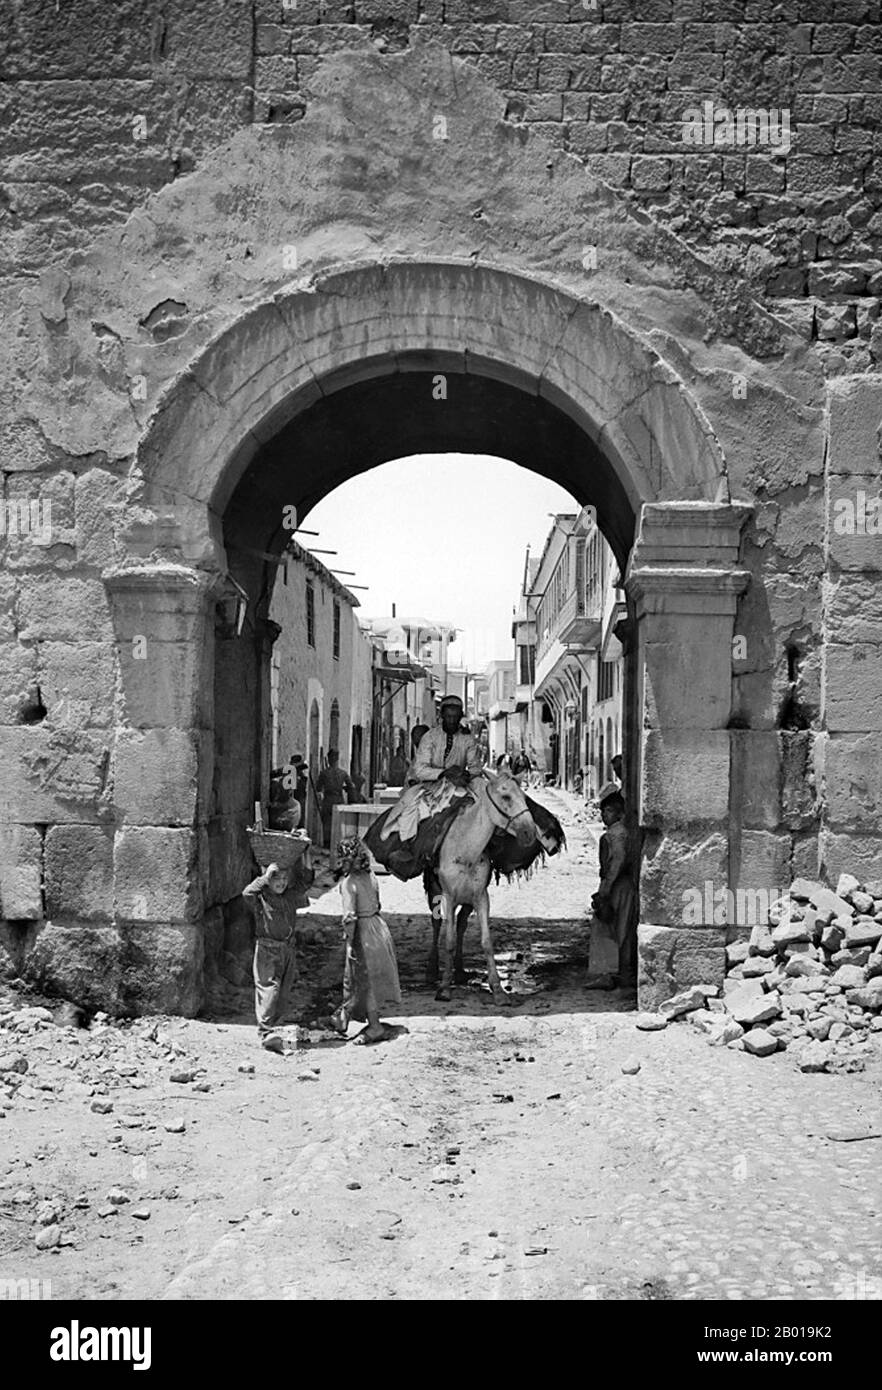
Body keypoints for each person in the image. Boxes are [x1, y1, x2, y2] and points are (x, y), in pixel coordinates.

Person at [329, 837, 401, 1044]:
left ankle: (375, 1026)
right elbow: (377, 902)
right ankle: (342, 1019)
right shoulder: (371, 877)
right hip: (378, 927)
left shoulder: (349, 884)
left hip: (363, 934)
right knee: (360, 979)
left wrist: (350, 942)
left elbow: (349, 916)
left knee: (361, 980)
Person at [242, 853, 314, 1051]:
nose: (281, 883)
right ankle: (265, 1031)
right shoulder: (261, 898)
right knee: (269, 988)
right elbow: (246, 893)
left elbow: (306, 883)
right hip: (267, 949)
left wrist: (306, 856)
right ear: (268, 880)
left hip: (287, 949)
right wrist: (264, 878)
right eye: (276, 878)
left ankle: (273, 1026)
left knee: (283, 990)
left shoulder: (290, 896)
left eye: (284, 878)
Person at [590, 785, 638, 986]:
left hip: (618, 886)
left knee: (609, 928)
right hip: (623, 885)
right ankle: (622, 973)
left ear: (619, 813)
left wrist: (606, 890)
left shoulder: (615, 835)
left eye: (608, 811)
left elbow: (617, 861)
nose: (604, 815)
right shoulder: (620, 832)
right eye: (602, 811)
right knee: (623, 929)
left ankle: (609, 974)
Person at [315, 749, 354, 848]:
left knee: (327, 824)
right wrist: (343, 788)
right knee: (337, 824)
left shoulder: (324, 773)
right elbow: (351, 786)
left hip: (328, 800)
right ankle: (336, 845)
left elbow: (318, 788)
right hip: (338, 800)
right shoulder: (343, 773)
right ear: (337, 759)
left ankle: (327, 845)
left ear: (328, 760)